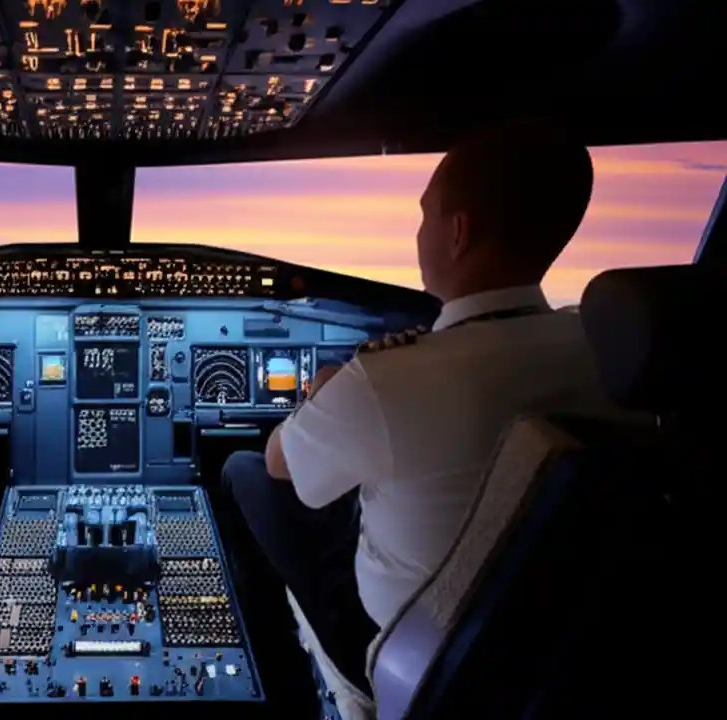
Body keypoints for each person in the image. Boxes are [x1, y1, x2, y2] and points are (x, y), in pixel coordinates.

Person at [221, 122, 615, 691]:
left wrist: (325, 391)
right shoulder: (606, 356)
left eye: (424, 215)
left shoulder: (387, 378)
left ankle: (284, 683)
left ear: (457, 233)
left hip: (405, 654)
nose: (418, 232)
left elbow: (280, 462)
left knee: (241, 470)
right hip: (555, 646)